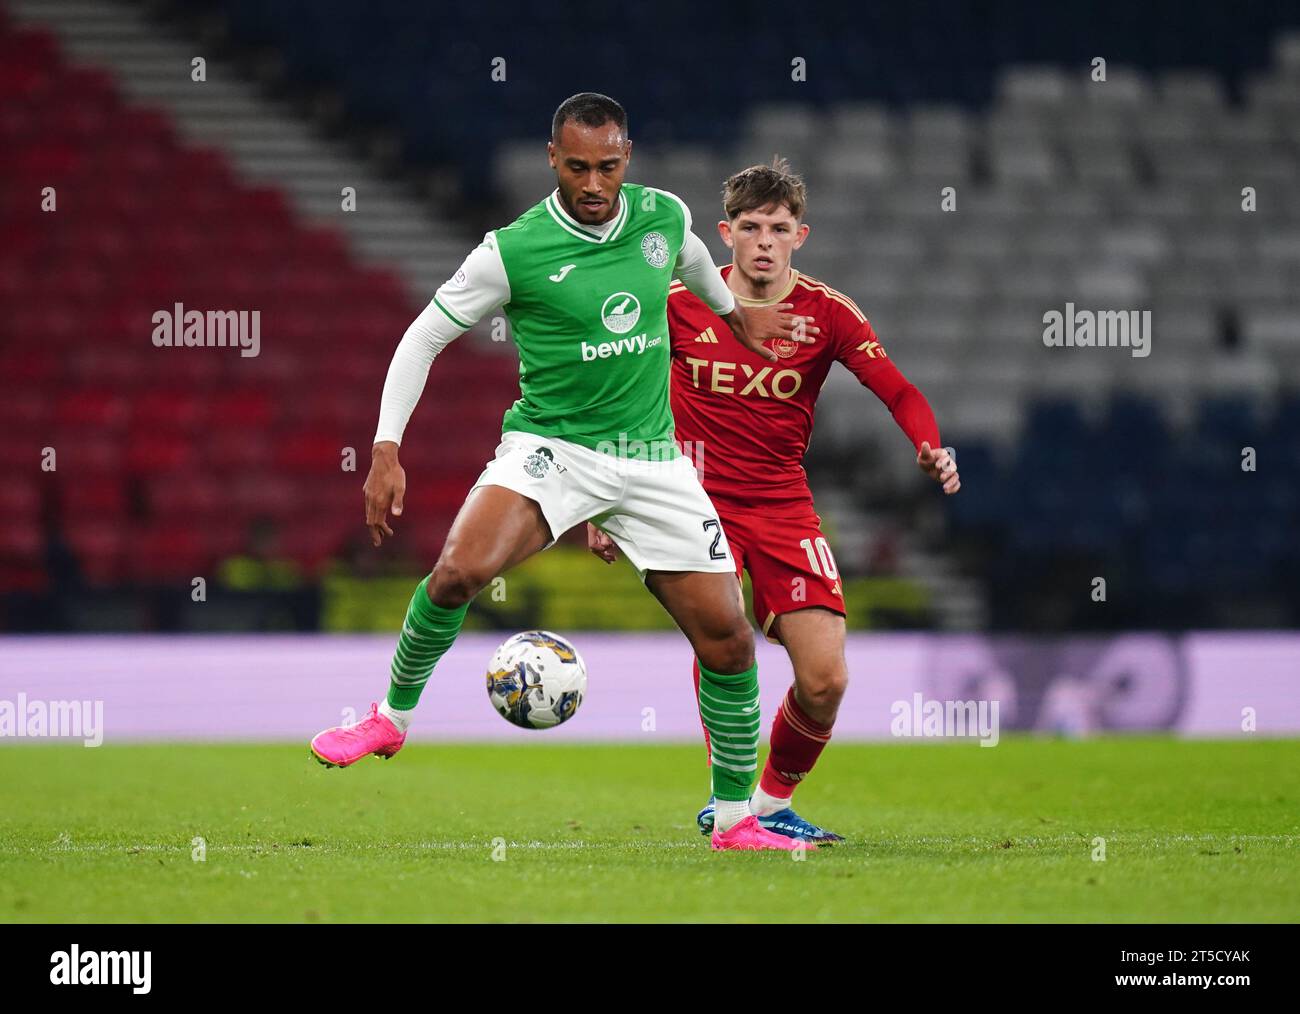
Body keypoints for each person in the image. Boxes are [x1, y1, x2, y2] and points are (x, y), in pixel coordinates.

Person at [309, 95, 819, 851]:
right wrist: (386, 450)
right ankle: (391, 718)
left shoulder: (666, 218)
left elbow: (705, 289)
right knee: (457, 571)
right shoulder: (510, 251)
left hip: (651, 459)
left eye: (608, 166)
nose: (593, 182)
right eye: (577, 166)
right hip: (552, 449)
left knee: (730, 642)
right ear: (553, 158)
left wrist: (743, 322)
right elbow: (421, 339)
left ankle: (737, 819)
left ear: (627, 157)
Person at [589, 158, 960, 842]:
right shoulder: (675, 302)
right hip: (688, 503)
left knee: (826, 681)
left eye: (779, 228)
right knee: (724, 643)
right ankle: (726, 800)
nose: (764, 240)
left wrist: (930, 444)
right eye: (751, 227)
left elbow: (900, 391)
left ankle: (768, 802)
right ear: (724, 233)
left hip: (782, 505)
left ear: (801, 235)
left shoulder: (827, 313)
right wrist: (612, 503)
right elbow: (618, 398)